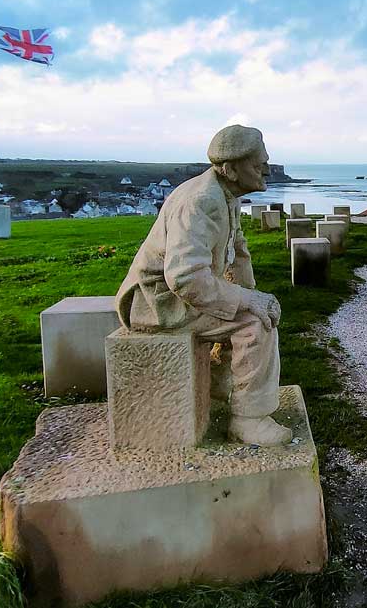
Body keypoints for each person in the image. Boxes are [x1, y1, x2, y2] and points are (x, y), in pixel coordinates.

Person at [115, 124, 291, 445]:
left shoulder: (227, 196)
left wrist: (251, 294)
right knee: (254, 323)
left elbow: (238, 254)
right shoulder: (201, 201)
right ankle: (249, 419)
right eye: (257, 164)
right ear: (232, 170)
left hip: (173, 294)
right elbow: (185, 276)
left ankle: (222, 384)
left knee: (249, 307)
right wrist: (250, 303)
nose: (266, 168)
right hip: (156, 303)